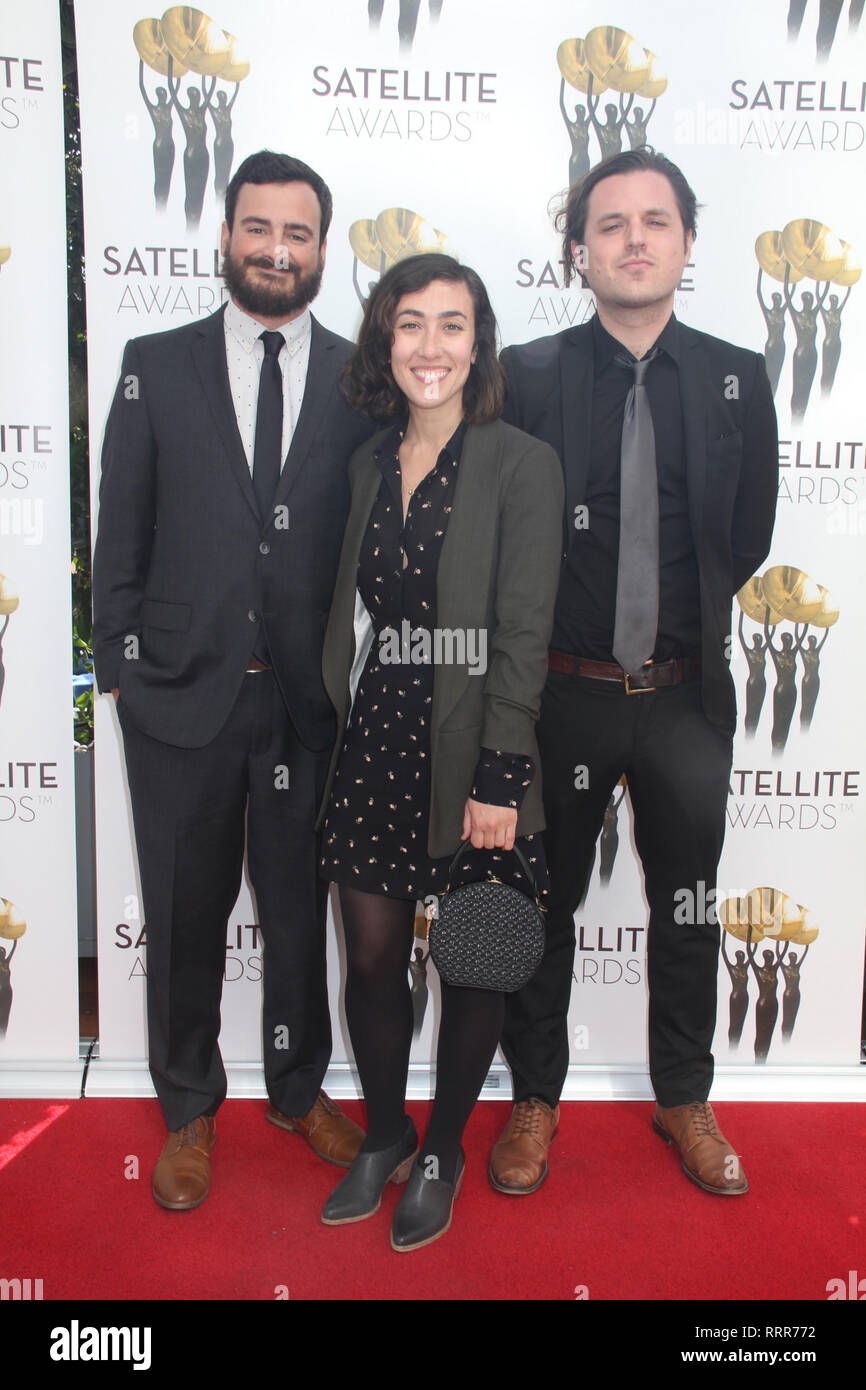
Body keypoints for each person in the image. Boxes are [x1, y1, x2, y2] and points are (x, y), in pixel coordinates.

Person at [492, 147, 778, 1197]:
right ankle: (533, 1099)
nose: (632, 239)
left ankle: (683, 1093)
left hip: (682, 699)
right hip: (557, 698)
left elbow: (740, 539)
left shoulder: (737, 377)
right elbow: (507, 541)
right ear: (578, 249)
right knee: (539, 903)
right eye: (609, 223)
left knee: (688, 904)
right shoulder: (525, 374)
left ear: (686, 244)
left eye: (654, 221)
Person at [92, 150, 375, 1211]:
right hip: (177, 696)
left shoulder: (362, 378)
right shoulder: (152, 364)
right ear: (225, 238)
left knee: (299, 912)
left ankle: (297, 1089)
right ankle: (185, 1109)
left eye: (297, 233)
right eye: (257, 228)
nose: (275, 250)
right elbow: (120, 525)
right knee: (184, 911)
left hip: (306, 706)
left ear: (320, 248)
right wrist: (118, 660)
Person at [317, 252, 563, 1250]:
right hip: (377, 735)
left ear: (478, 342)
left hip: (476, 747)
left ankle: (445, 1150)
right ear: (385, 338)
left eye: (451, 325)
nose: (430, 345)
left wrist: (501, 772)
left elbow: (520, 628)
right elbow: (353, 614)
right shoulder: (364, 463)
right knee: (373, 957)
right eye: (408, 322)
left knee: (472, 961)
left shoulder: (520, 464)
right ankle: (383, 1132)